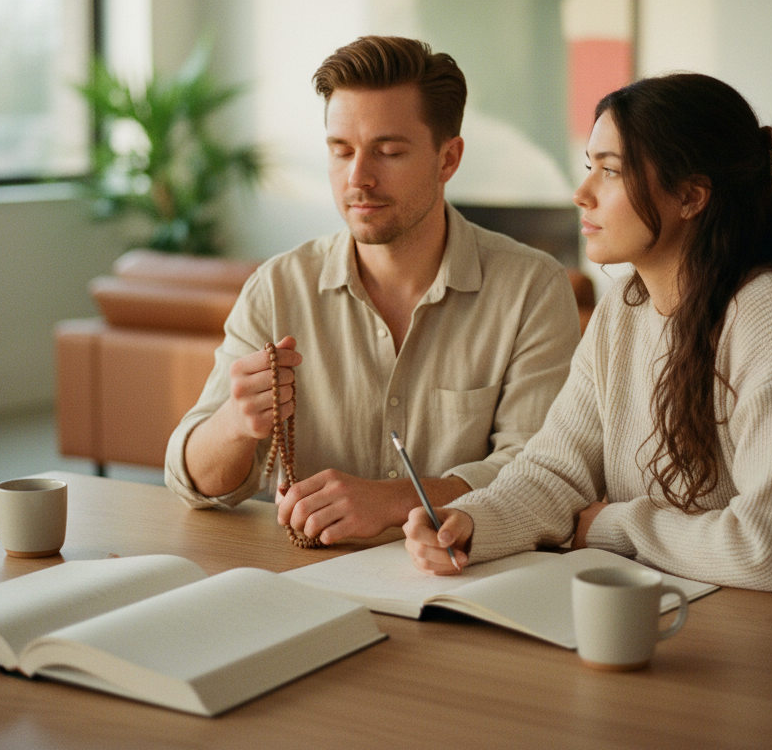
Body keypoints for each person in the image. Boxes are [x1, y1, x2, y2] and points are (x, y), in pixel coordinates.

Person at [405, 73, 772, 592]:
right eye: (589, 166)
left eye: (611, 172)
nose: (582, 193)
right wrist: (473, 522)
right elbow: (556, 470)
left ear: (690, 196)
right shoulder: (624, 307)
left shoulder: (766, 312)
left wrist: (617, 527)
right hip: (686, 606)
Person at [164, 35, 582, 544]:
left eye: (388, 151)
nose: (357, 178)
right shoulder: (277, 288)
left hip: (461, 584)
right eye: (341, 151)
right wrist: (234, 422)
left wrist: (393, 499)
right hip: (307, 578)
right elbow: (193, 484)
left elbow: (540, 473)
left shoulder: (532, 290)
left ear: (448, 159)